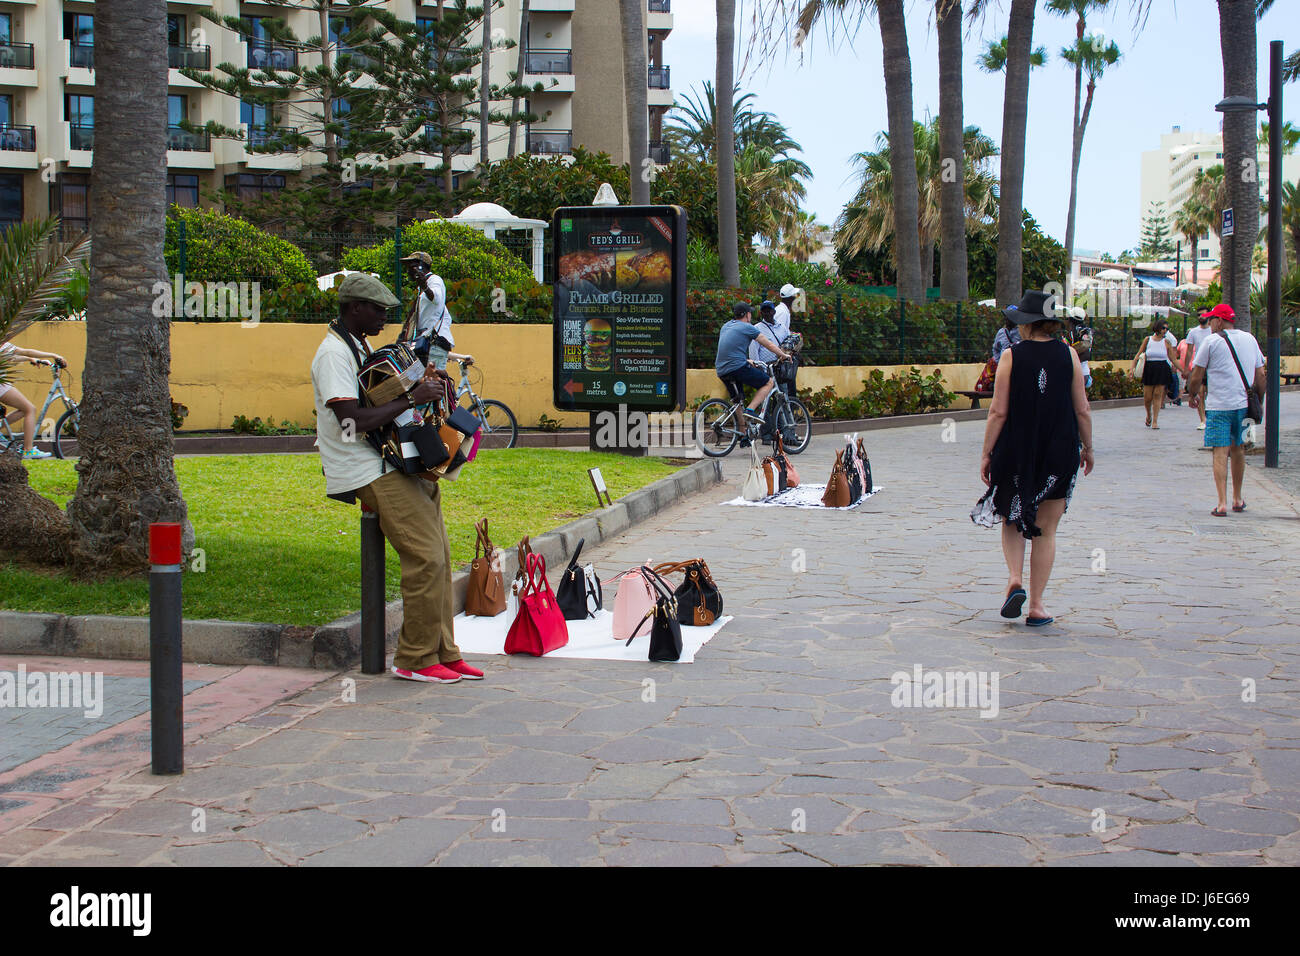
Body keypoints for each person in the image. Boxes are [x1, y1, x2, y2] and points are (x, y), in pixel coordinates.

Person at [311, 273, 483, 684]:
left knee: (439, 557)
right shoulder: (333, 354)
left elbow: (377, 394)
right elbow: (351, 418)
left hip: (392, 459)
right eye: (377, 310)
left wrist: (422, 382)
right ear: (354, 308)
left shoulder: (358, 344)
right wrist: (412, 397)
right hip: (367, 467)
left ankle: (444, 650)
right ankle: (415, 658)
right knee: (426, 557)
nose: (384, 318)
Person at [972, 290, 1094, 628]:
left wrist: (986, 453)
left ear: (1025, 324)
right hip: (1059, 448)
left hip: (1016, 448)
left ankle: (1014, 579)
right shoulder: (1069, 355)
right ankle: (1037, 606)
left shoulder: (1011, 356)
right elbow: (1081, 407)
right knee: (1046, 529)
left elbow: (997, 411)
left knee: (1012, 517)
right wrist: (1089, 448)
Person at [1185, 303, 1265, 517]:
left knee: (1220, 452)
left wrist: (1192, 394)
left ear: (1219, 321)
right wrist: (1259, 401)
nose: (1208, 323)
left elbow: (1196, 374)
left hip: (1218, 406)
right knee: (1238, 449)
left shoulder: (1211, 341)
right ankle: (1237, 499)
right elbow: (1260, 375)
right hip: (1243, 406)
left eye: (1211, 320)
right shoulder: (1250, 339)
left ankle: (1221, 503)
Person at [715, 301, 792, 446]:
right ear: (747, 314)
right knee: (768, 382)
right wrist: (783, 355)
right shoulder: (748, 327)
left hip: (721, 369)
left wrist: (746, 360)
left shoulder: (726, 326)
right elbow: (767, 344)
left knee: (737, 401)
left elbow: (729, 348)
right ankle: (751, 410)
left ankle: (744, 435)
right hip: (737, 366)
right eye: (750, 312)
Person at [399, 252, 473, 372]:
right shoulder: (421, 289)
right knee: (424, 383)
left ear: (421, 266)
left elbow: (435, 298)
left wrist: (425, 287)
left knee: (433, 382)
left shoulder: (434, 280)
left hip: (434, 344)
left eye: (412, 267)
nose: (408, 271)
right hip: (427, 344)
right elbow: (444, 316)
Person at [0, 341, 67, 460]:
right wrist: (53, 355)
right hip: (2, 385)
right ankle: (28, 450)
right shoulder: (2, 342)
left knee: (24, 410)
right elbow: (25, 351)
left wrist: (30, 359)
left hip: (3, 384)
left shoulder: (3, 345)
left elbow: (10, 357)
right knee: (30, 409)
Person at [1132, 318, 1179, 428]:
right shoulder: (1148, 340)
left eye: (1167, 329)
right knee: (1147, 397)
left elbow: (1173, 359)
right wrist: (1132, 369)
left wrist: (1183, 370)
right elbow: (1138, 354)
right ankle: (1149, 415)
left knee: (1158, 394)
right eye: (1163, 328)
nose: (1165, 330)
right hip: (1150, 368)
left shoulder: (1166, 342)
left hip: (1162, 368)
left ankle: (1155, 421)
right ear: (1157, 328)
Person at [1183, 309, 1216, 430]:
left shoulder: (1213, 331)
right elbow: (1189, 351)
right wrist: (1186, 368)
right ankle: (1203, 420)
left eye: (1203, 314)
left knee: (1211, 392)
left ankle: (1211, 417)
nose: (1201, 316)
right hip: (1199, 365)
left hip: (1212, 365)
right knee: (1200, 392)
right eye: (1198, 315)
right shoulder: (1193, 332)